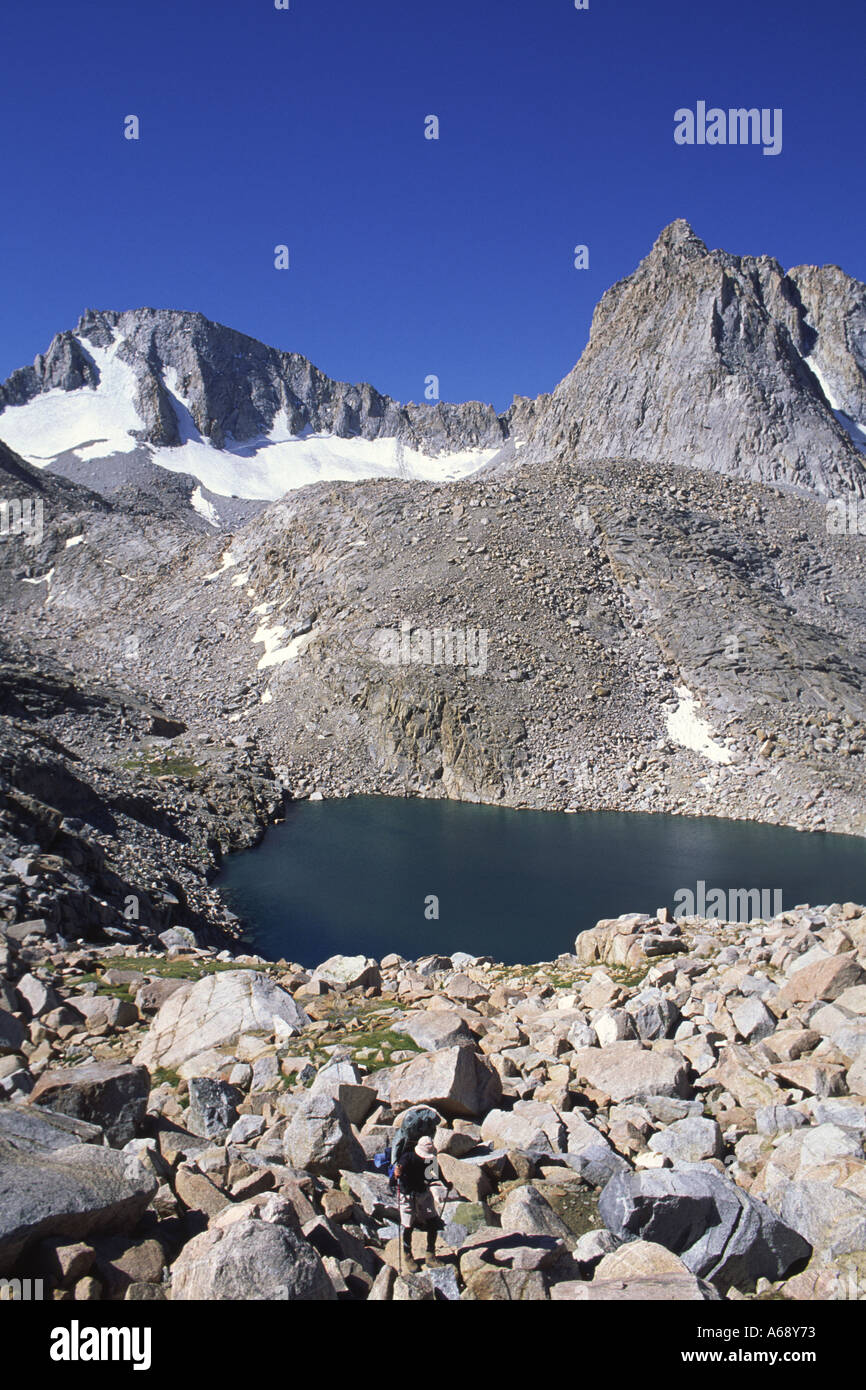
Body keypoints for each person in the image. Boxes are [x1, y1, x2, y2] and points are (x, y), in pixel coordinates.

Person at [393, 1131, 449, 1272]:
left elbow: (436, 1173)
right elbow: (396, 1175)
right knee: (408, 1225)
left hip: (422, 1193)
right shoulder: (408, 1158)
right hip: (407, 1194)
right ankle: (407, 1255)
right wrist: (396, 1174)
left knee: (433, 1221)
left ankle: (430, 1254)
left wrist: (446, 1184)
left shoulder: (430, 1160)